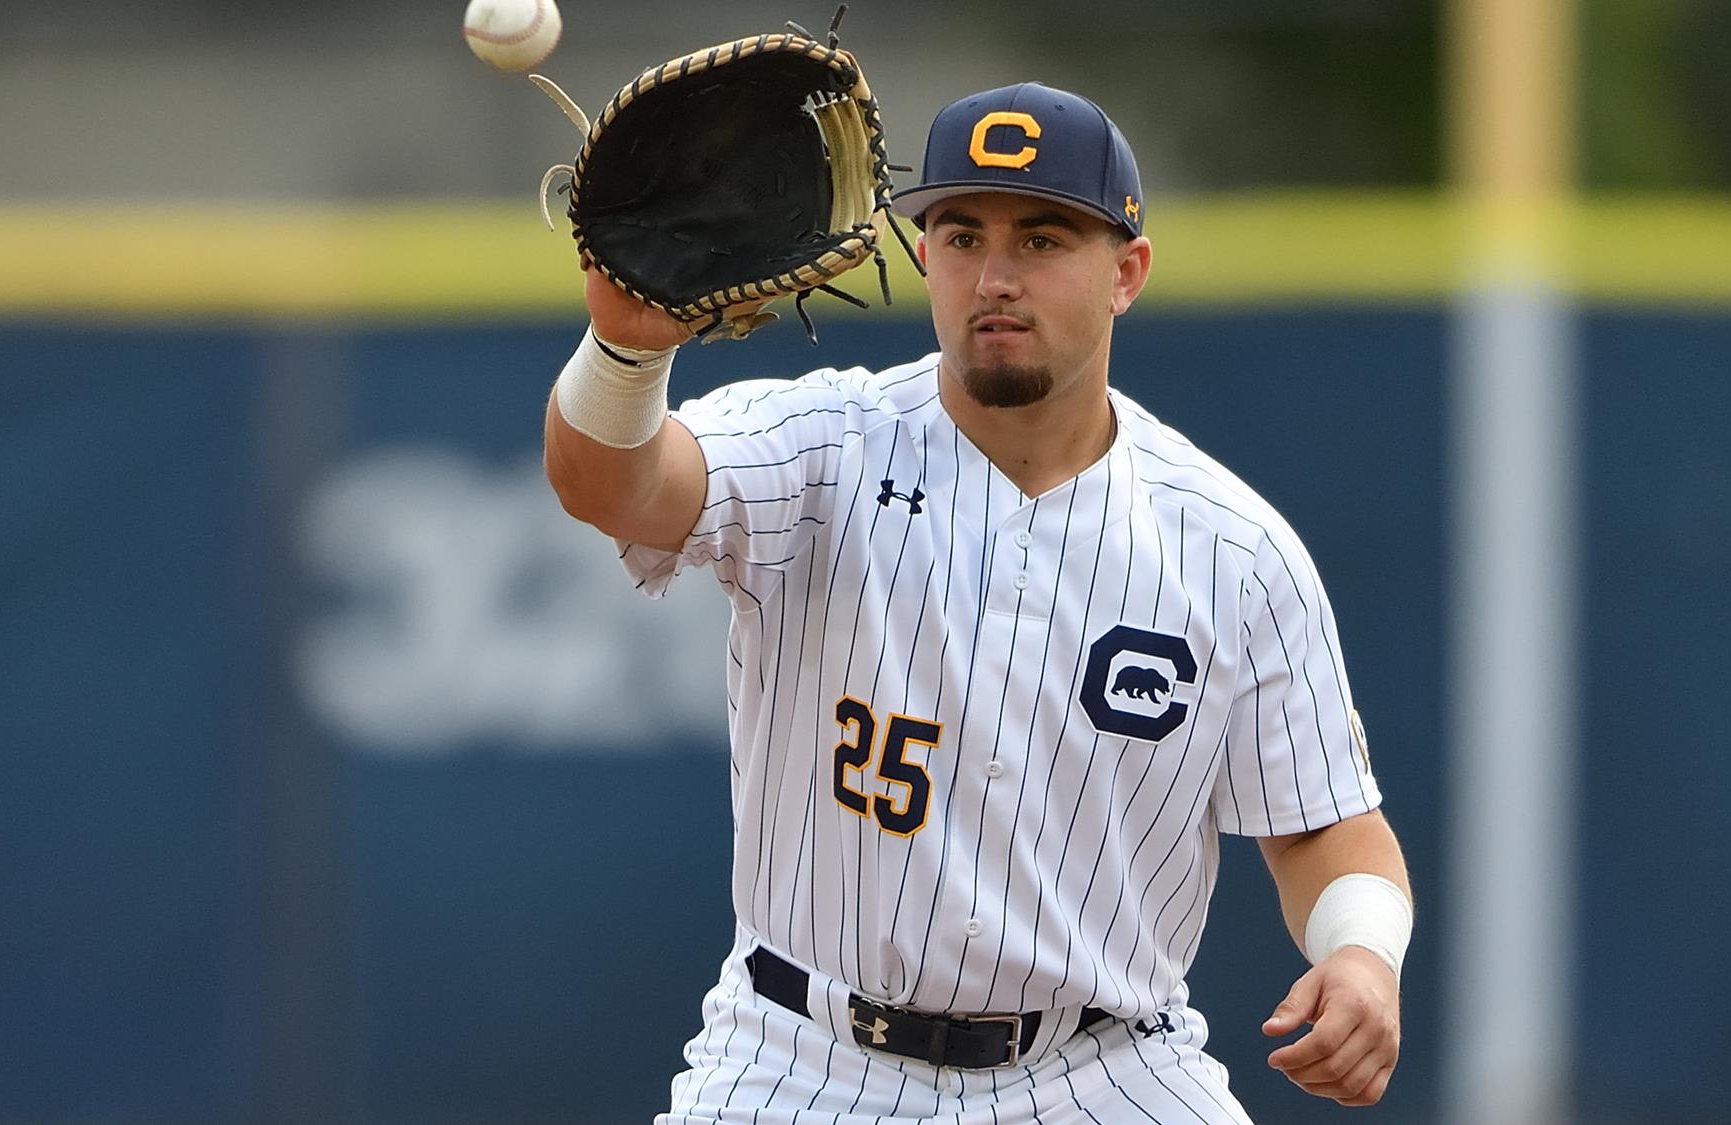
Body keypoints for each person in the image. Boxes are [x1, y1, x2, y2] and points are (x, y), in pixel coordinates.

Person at [544, 81, 1413, 1122]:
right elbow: (611, 485)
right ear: (924, 257)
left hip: (1103, 1066)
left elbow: (1325, 827)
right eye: (960, 236)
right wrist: (625, 350)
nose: (993, 277)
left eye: (1041, 240)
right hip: (806, 1058)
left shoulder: (1231, 549)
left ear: (1124, 273)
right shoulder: (824, 445)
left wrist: (1359, 958)